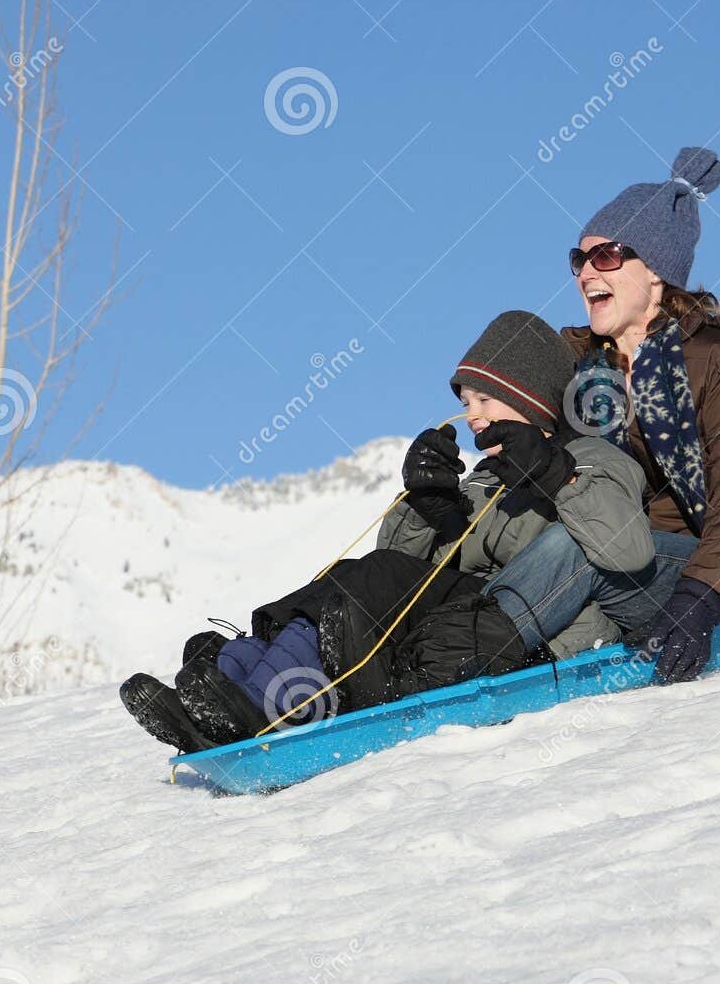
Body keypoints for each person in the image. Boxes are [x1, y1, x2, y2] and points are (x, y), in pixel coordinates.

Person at [119, 310, 655, 753]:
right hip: (454, 622)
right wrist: (425, 505)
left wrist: (555, 474)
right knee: (350, 577)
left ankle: (259, 699)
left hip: (521, 623)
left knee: (370, 579)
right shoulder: (484, 480)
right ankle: (231, 681)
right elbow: (403, 572)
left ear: (531, 400)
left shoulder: (592, 458)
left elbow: (626, 546)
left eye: (484, 401)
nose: (470, 416)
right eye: (466, 403)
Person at [482, 146, 720, 684]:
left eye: (606, 256)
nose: (586, 272)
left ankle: (458, 659)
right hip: (617, 567)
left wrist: (699, 598)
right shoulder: (583, 370)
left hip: (716, 579)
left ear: (656, 274)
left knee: (582, 547)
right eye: (578, 259)